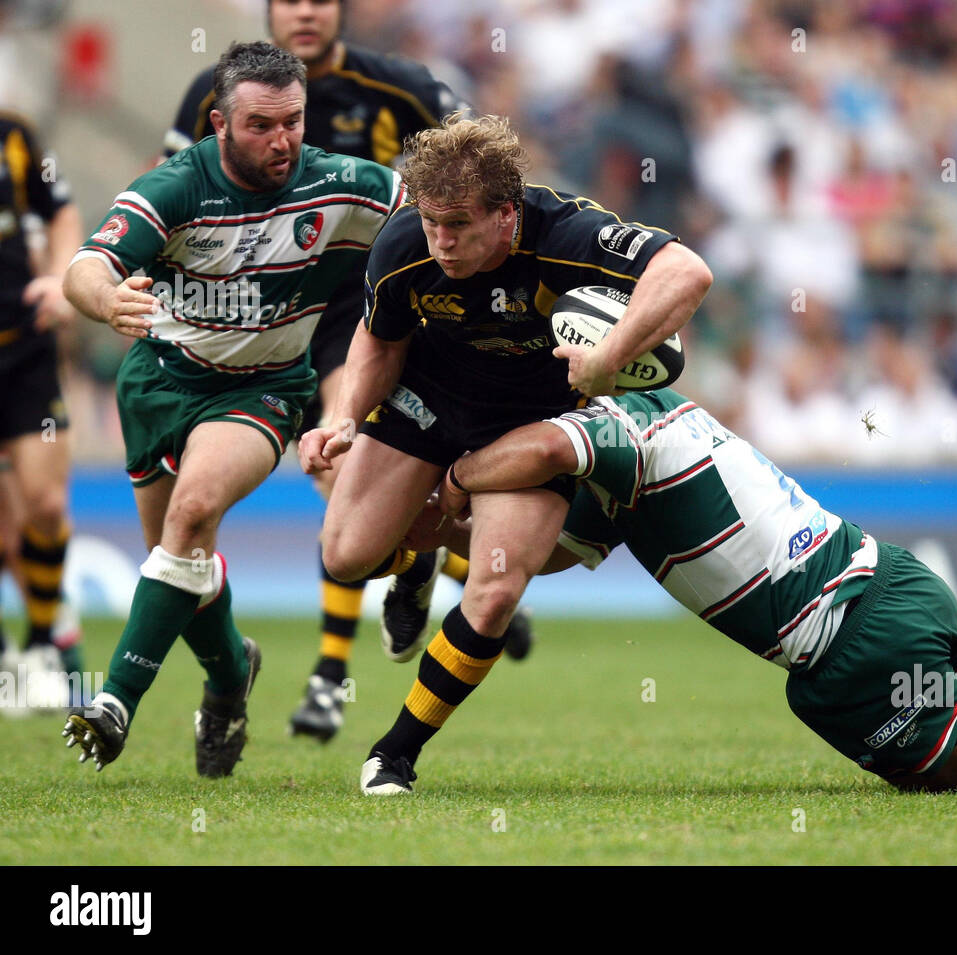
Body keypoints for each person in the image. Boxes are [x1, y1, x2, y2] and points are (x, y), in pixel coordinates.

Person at [359, 386, 957, 796]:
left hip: (840, 644)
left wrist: (445, 478)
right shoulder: (649, 433)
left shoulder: (608, 433)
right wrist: (455, 538)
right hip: (892, 582)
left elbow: (540, 451)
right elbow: (551, 556)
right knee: (951, 697)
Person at [298, 113, 712, 787]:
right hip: (428, 400)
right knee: (345, 556)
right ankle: (415, 561)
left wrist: (608, 356)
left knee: (492, 595)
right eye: (432, 221)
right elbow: (380, 340)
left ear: (506, 213)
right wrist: (344, 416)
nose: (441, 240)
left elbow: (688, 272)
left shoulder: (569, 233)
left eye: (458, 223)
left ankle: (395, 752)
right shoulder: (405, 241)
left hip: (531, 418)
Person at [163, 0, 529, 744]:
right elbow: (166, 187)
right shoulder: (215, 92)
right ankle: (430, 565)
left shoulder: (401, 88)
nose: (305, 11)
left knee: (341, 468)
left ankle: (330, 677)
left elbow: (479, 170)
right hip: (253, 311)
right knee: (320, 497)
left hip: (360, 314)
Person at [59, 41, 406, 775]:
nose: (282, 140)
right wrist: (106, 298)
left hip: (265, 389)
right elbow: (85, 268)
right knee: (181, 564)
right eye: (260, 125)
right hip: (158, 382)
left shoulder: (346, 186)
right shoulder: (176, 188)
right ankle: (228, 679)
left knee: (190, 519)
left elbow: (433, 221)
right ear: (218, 122)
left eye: (293, 122)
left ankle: (116, 700)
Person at [0, 109, 84, 712]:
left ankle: (40, 647)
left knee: (47, 504)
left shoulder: (15, 135)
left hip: (24, 345)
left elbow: (59, 210)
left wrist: (60, 278)